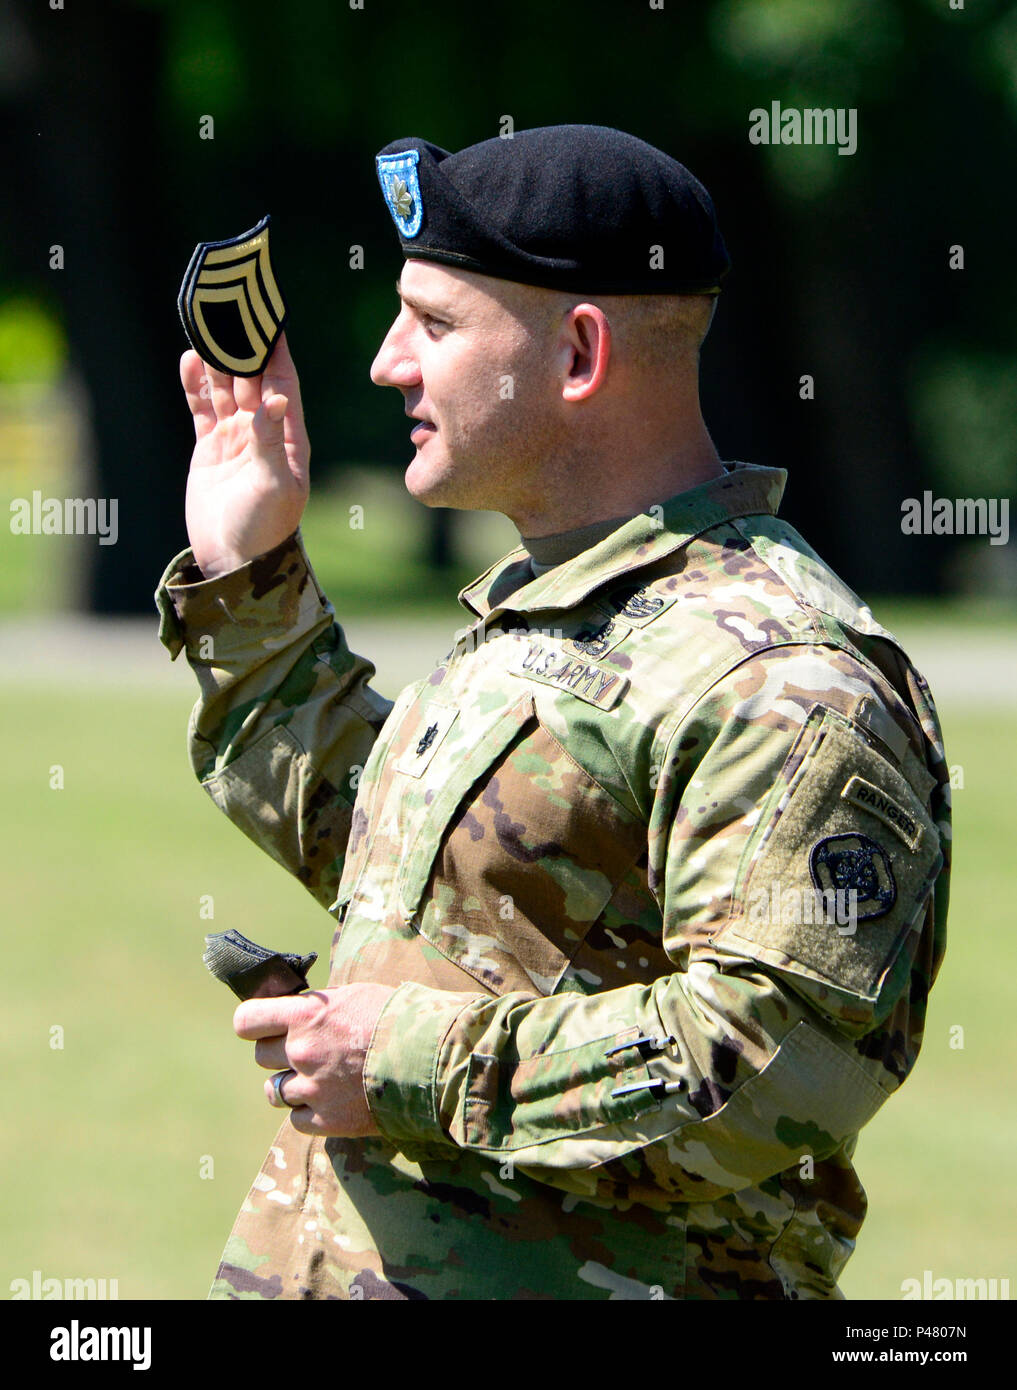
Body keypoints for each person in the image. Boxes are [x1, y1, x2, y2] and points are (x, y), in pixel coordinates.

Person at [156, 126, 950, 1300]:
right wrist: (251, 571)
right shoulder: (562, 605)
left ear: (578, 353)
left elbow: (778, 1067)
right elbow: (418, 870)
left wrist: (399, 1060)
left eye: (433, 324)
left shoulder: (784, 674)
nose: (386, 363)